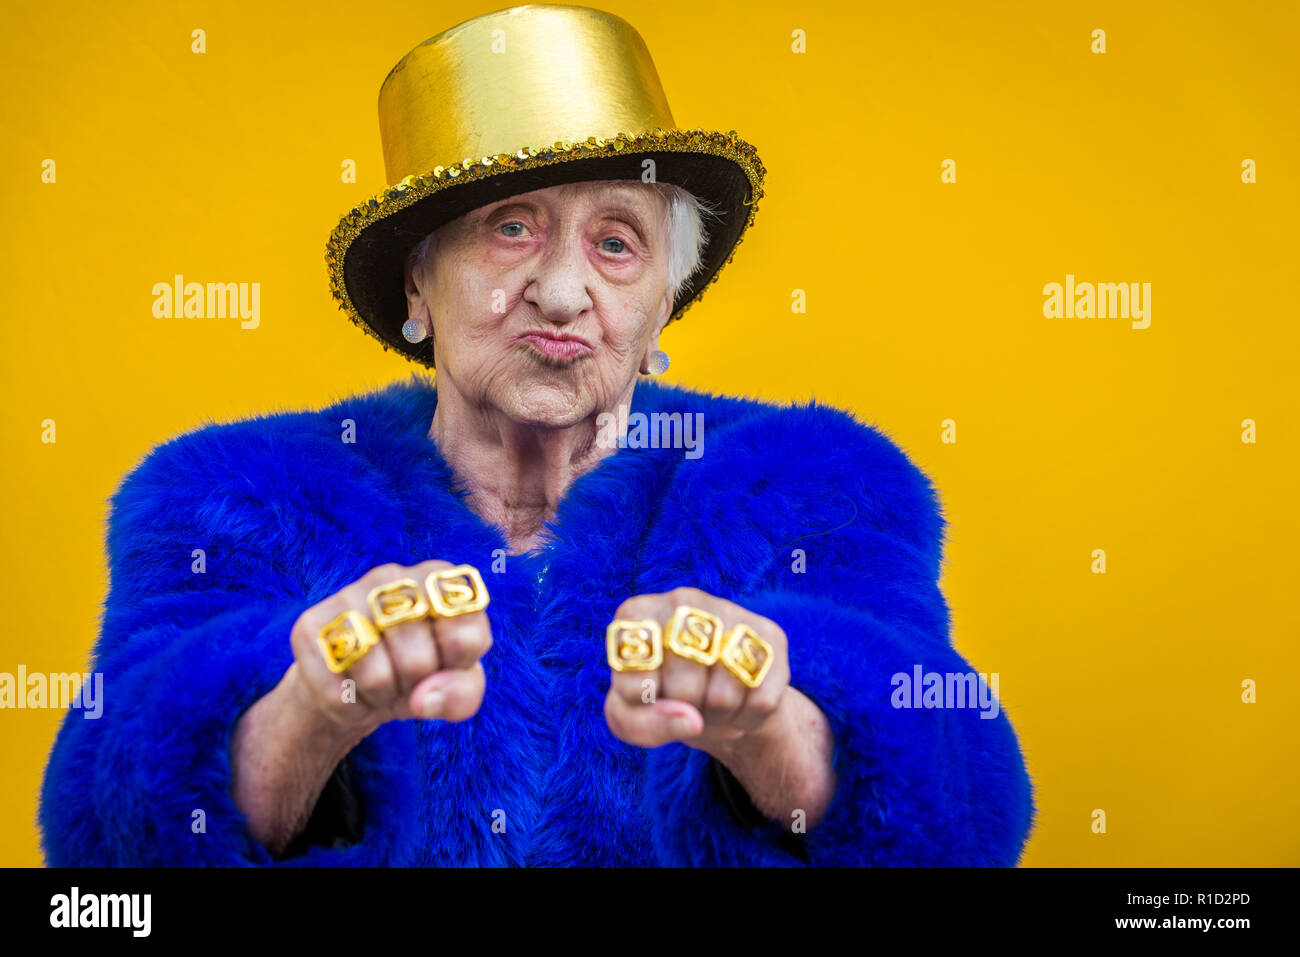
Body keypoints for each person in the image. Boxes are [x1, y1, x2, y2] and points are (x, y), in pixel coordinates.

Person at [39, 4, 1034, 866]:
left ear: (661, 307)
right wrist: (310, 714)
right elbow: (106, 838)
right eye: (510, 228)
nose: (562, 292)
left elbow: (959, 821)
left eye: (615, 242)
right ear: (417, 286)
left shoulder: (817, 488)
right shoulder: (230, 499)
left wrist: (768, 726)